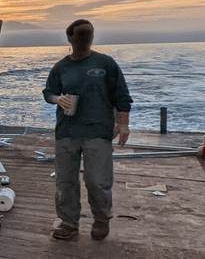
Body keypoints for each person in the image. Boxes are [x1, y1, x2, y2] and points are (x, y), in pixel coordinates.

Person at [43, 19, 133, 241]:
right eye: (81, 34)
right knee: (65, 182)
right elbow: (48, 92)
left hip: (98, 132)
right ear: (70, 37)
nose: (86, 38)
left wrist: (123, 124)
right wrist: (58, 99)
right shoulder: (61, 67)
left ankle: (101, 219)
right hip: (66, 132)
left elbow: (122, 96)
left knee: (97, 180)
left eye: (89, 33)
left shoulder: (106, 63)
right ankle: (69, 223)